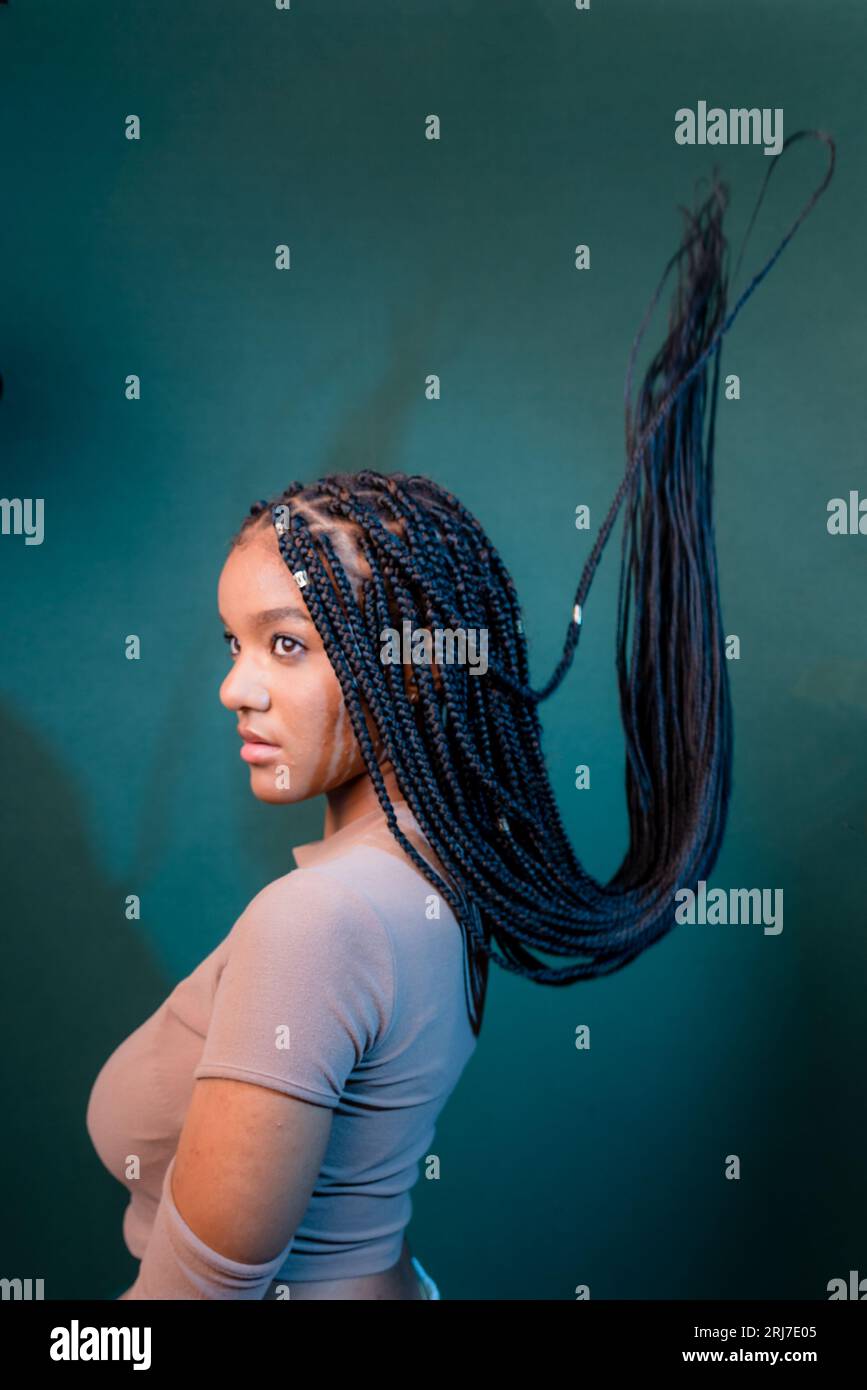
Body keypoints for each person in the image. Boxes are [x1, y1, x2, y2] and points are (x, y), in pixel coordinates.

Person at [86, 140, 834, 1300]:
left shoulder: (315, 923)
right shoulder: (441, 886)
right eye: (235, 646)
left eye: (287, 644)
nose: (236, 687)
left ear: (419, 671)